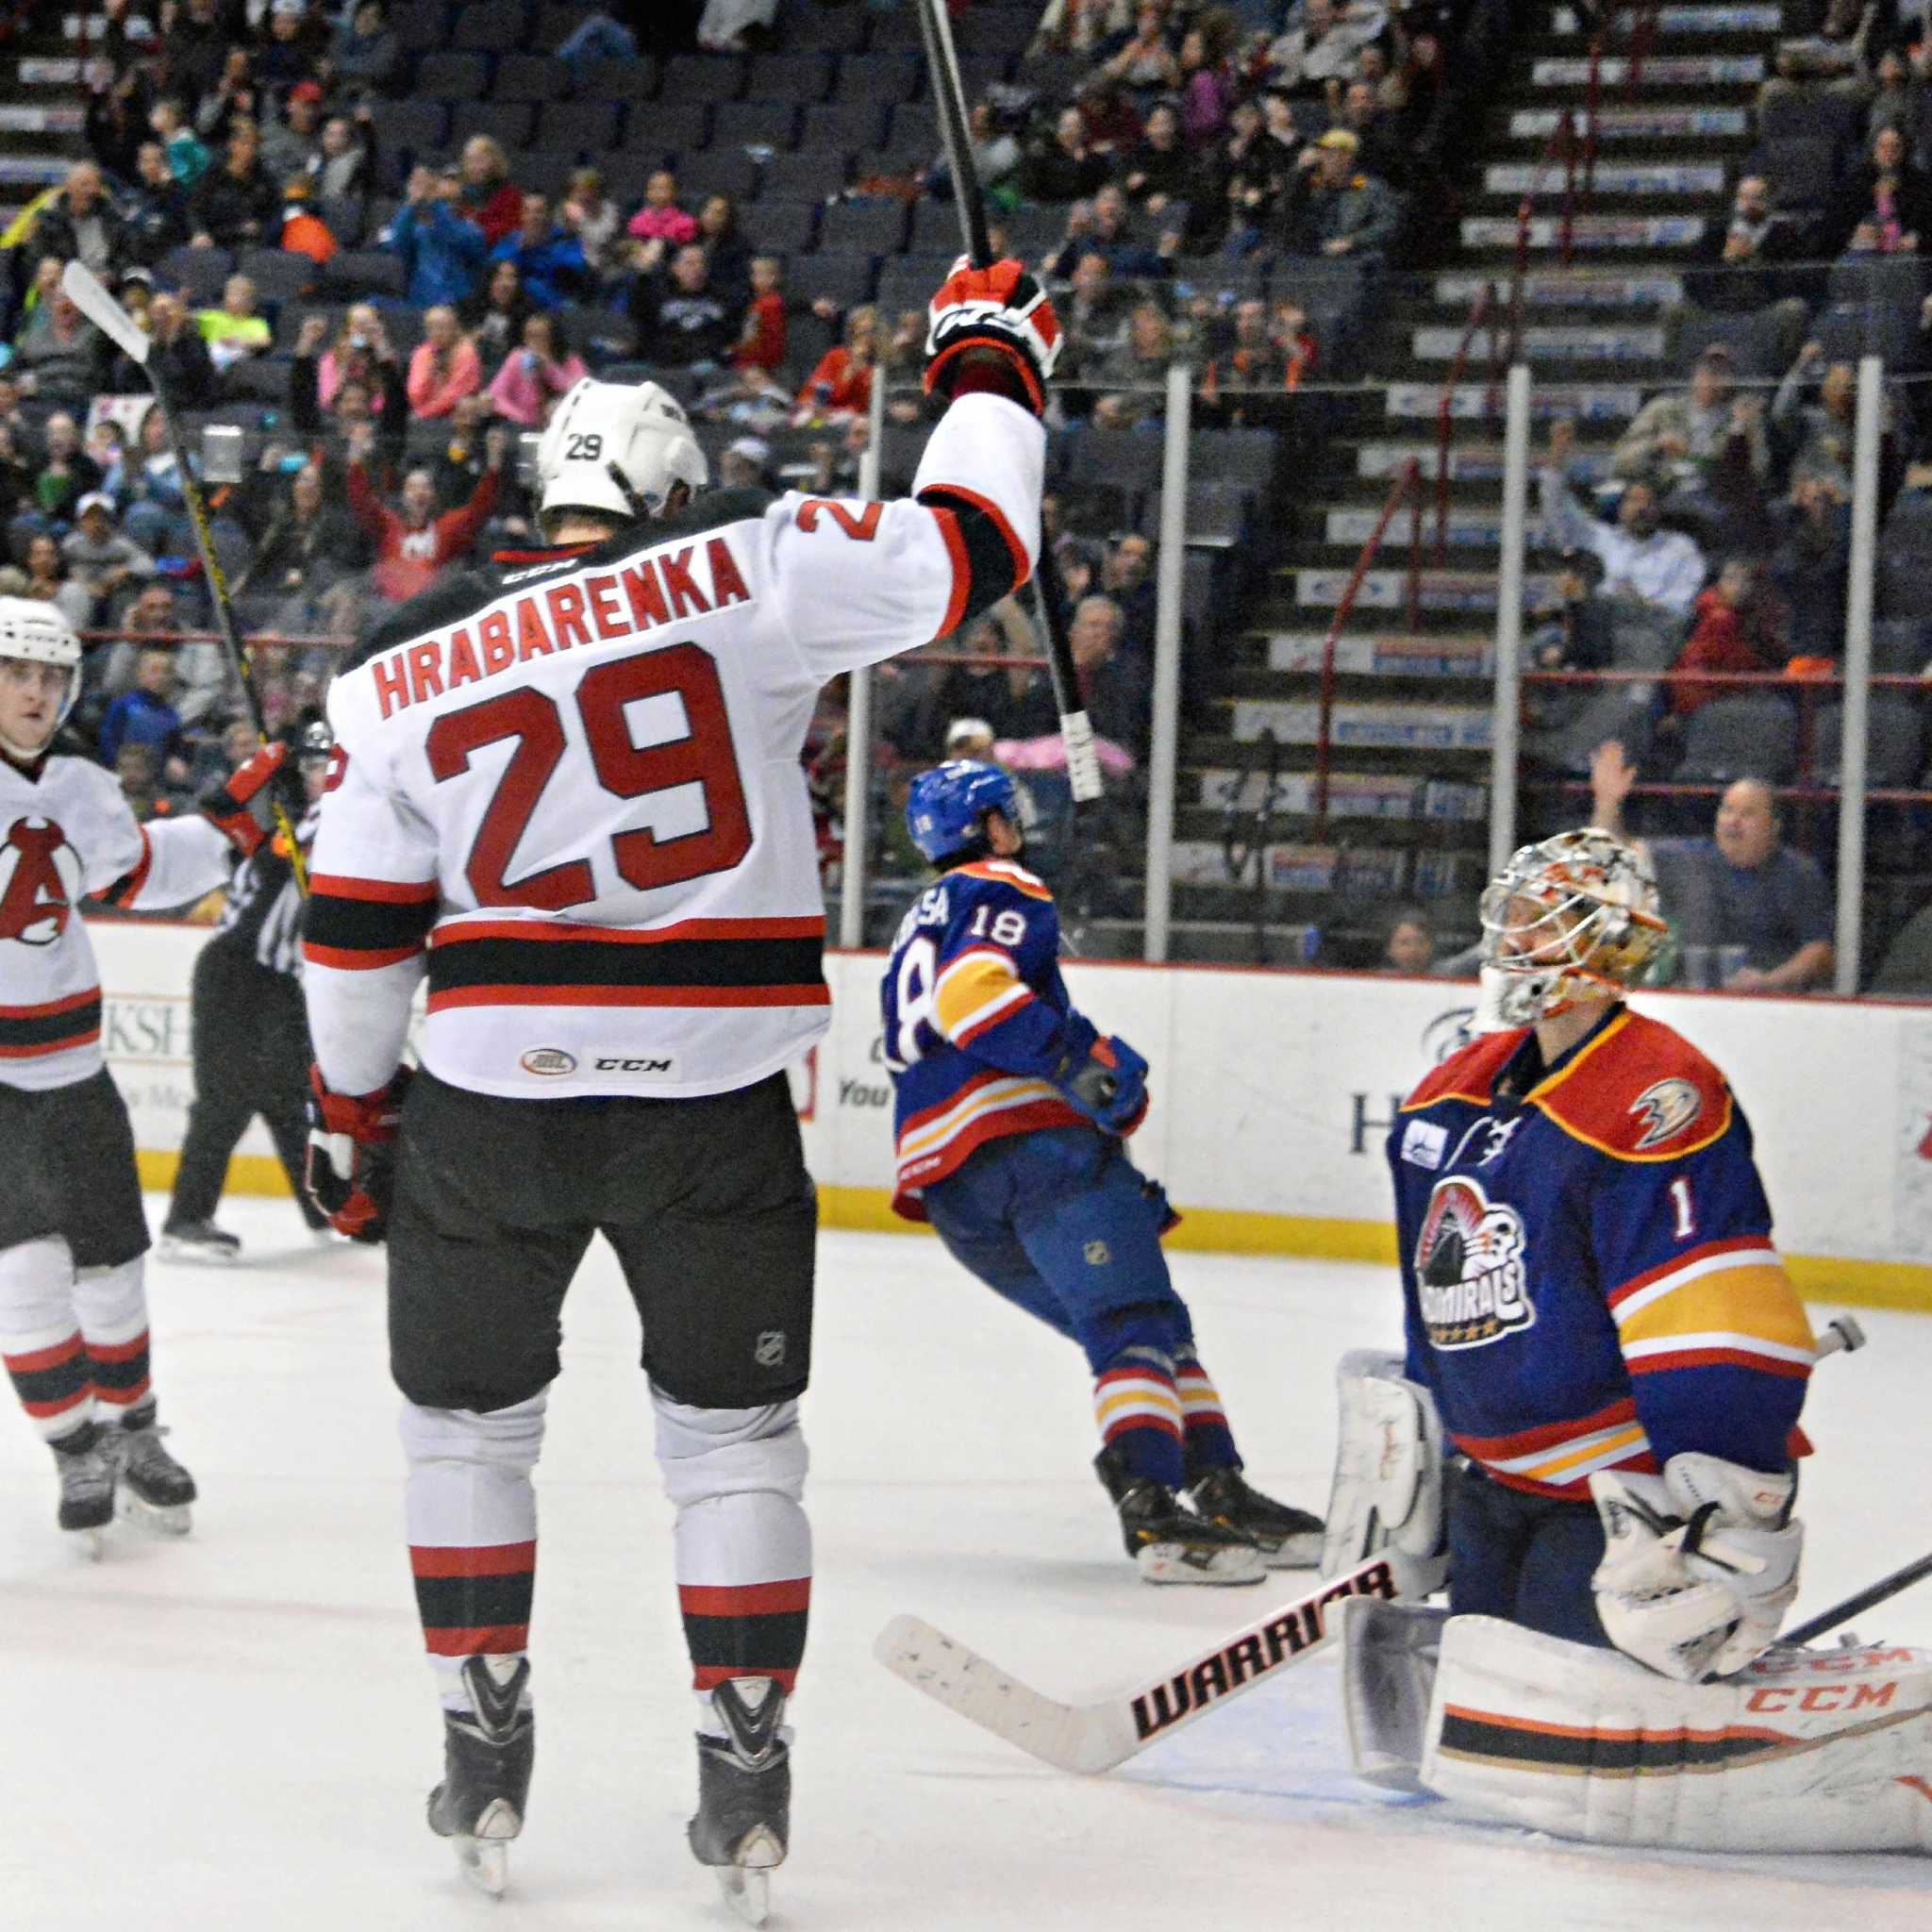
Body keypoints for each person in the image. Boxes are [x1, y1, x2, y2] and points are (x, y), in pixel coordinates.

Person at [296, 258, 1064, 1911]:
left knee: (466, 1434)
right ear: (671, 492)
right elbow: (976, 545)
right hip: (712, 1101)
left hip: (488, 1107)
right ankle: (744, 1770)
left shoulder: (398, 674)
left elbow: (355, 932)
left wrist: (348, 1114)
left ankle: (479, 1746)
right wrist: (990, 359)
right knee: (735, 1447)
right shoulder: (749, 564)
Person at [1362, 824, 1811, 1662]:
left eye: (1541, 916)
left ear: (1606, 942)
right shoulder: (1451, 1091)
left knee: (1564, 1697)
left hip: (1613, 1496)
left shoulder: (1657, 1094)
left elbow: (1708, 1308)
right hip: (1490, 1481)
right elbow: (1432, 1287)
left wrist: (1729, 1497)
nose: (1511, 934)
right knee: (1477, 1702)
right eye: (1512, 911)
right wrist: (1429, 1428)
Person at [881, 759, 1324, 1584]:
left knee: (1150, 1327)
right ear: (992, 827)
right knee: (1133, 1324)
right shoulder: (1002, 883)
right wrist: (1080, 1063)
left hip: (952, 1191)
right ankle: (1151, 1506)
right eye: (1009, 814)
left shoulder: (920, 917)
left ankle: (1217, 1484)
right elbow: (971, 998)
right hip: (1033, 1154)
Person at [0, 598, 291, 1544]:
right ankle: (74, 1445)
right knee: (24, 1279)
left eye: (50, 676)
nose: (35, 691)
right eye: (16, 673)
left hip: (76, 1075)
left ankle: (133, 1430)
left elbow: (137, 873)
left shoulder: (81, 785)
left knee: (113, 1271)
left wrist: (234, 816)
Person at [160, 715, 336, 1260]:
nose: (325, 777)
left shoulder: (312, 819)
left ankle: (323, 1209)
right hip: (236, 973)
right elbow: (234, 825)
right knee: (225, 1098)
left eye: (333, 767)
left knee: (292, 1099)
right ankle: (185, 1221)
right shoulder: (297, 822)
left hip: (282, 981)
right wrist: (269, 781)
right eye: (315, 767)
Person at [1589, 743, 1834, 991]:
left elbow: (1819, 951)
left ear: (1773, 825)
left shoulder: (1799, 873)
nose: (1733, 821)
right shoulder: (1690, 858)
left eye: (1747, 813)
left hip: (1770, 1001)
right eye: (1727, 810)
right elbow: (1616, 853)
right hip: (1692, 998)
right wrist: (1606, 803)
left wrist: (1769, 982)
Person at [1540, 420, 1707, 628]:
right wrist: (1558, 456)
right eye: (1633, 500)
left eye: (1648, 502)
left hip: (1653, 635)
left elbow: (1682, 608)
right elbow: (1558, 510)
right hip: (1603, 632)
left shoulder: (1681, 549)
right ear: (1620, 506)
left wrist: (1638, 606)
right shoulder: (1600, 538)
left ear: (1659, 508)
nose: (1641, 508)